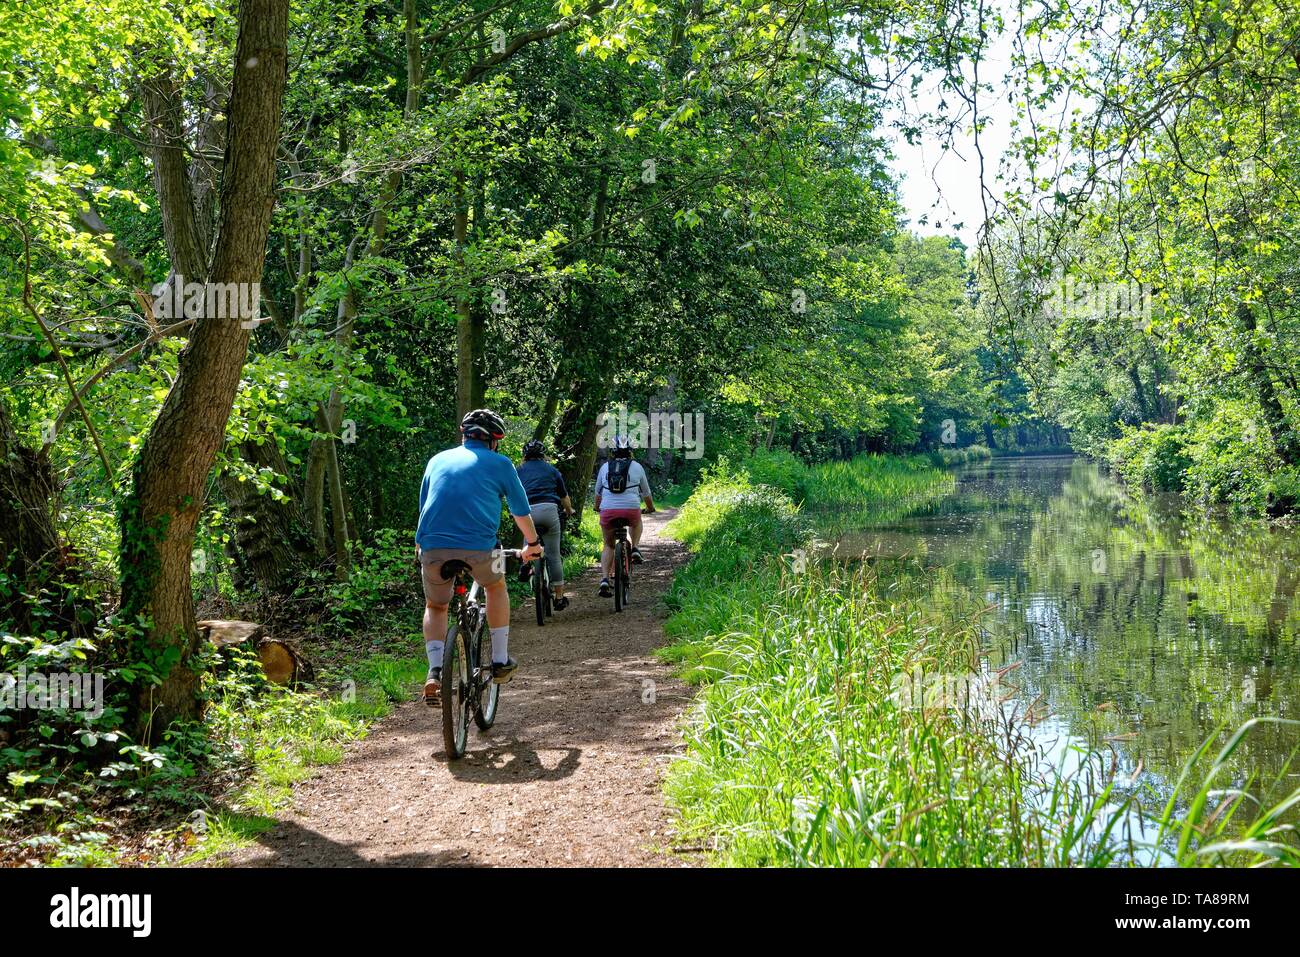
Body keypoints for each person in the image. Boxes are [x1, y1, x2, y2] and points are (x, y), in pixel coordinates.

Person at [415, 409, 543, 705]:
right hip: (483, 549)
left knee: (436, 605)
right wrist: (533, 544)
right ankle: (499, 660)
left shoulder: (436, 460)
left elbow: (423, 509)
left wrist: (419, 547)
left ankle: (435, 670)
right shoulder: (501, 463)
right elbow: (519, 511)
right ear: (494, 440)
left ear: (464, 434)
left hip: (432, 547)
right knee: (495, 587)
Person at [592, 435, 655, 597]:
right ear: (630, 451)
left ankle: (605, 579)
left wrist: (597, 507)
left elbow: (598, 493)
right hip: (631, 509)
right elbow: (646, 493)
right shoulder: (637, 467)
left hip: (608, 511)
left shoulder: (605, 467)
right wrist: (650, 508)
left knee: (608, 545)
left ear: (612, 452)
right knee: (636, 522)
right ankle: (634, 547)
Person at [515, 439, 573, 610]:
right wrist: (569, 511)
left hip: (527, 512)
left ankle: (525, 565)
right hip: (549, 510)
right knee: (554, 555)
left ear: (524, 456)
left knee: (529, 541)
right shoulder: (551, 470)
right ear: (543, 455)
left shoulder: (518, 471)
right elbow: (564, 496)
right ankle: (559, 597)